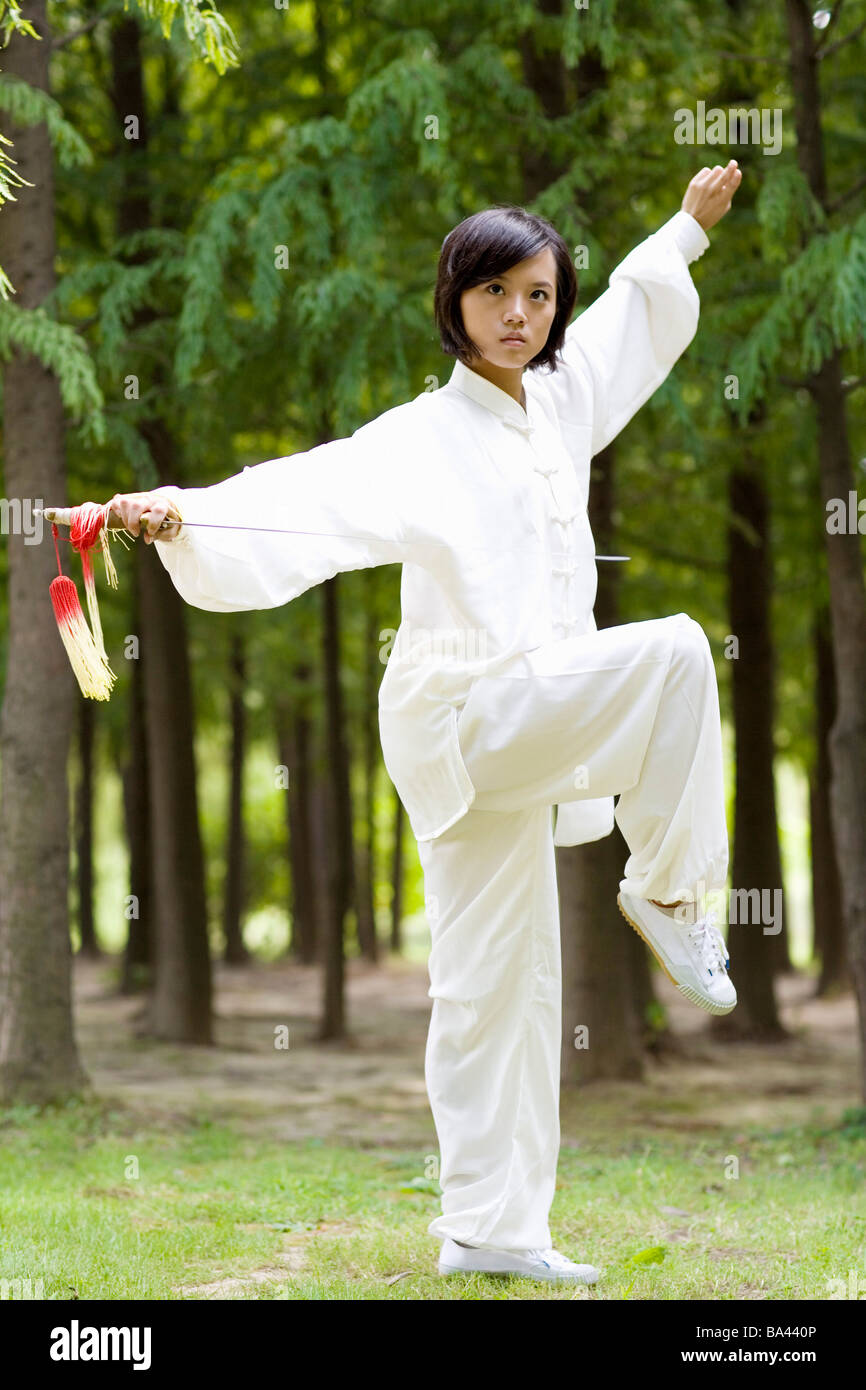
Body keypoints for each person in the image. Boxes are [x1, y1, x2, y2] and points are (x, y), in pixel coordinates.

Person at [109, 159, 743, 1287]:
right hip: (460, 717)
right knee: (677, 652)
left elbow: (627, 326)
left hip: (533, 717)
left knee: (507, 984)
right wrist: (183, 514)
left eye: (538, 295)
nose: (520, 315)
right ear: (453, 301)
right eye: (494, 292)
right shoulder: (419, 435)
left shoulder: (559, 400)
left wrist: (685, 233)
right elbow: (307, 492)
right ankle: (668, 889)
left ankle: (494, 1230)